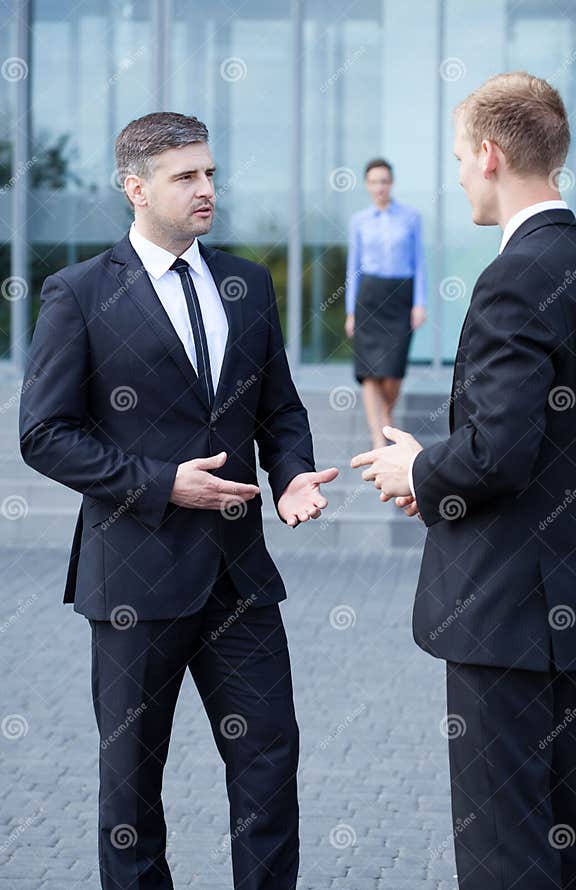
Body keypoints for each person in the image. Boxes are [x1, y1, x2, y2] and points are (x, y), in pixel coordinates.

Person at [19, 111, 338, 890]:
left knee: (269, 761)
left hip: (239, 576)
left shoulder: (249, 283)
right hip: (134, 576)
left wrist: (291, 472)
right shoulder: (79, 294)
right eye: (186, 176)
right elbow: (44, 433)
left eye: (211, 174)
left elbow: (279, 408)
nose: (207, 190)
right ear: (136, 188)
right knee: (132, 788)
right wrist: (163, 483)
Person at [351, 72, 576, 889]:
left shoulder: (515, 275)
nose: (454, 176)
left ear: (488, 156)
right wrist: (442, 475)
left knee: (508, 856)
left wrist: (418, 466)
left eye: (455, 157)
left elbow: (501, 452)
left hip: (514, 622)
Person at [344, 158, 427, 448]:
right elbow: (352, 266)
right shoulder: (359, 221)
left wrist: (420, 303)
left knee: (392, 371)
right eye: (374, 181)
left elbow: (420, 263)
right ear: (367, 185)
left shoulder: (411, 217)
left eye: (384, 181)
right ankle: (378, 437)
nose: (379, 186)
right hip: (369, 295)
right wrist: (350, 310)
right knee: (369, 371)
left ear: (391, 183)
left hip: (400, 297)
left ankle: (385, 415)